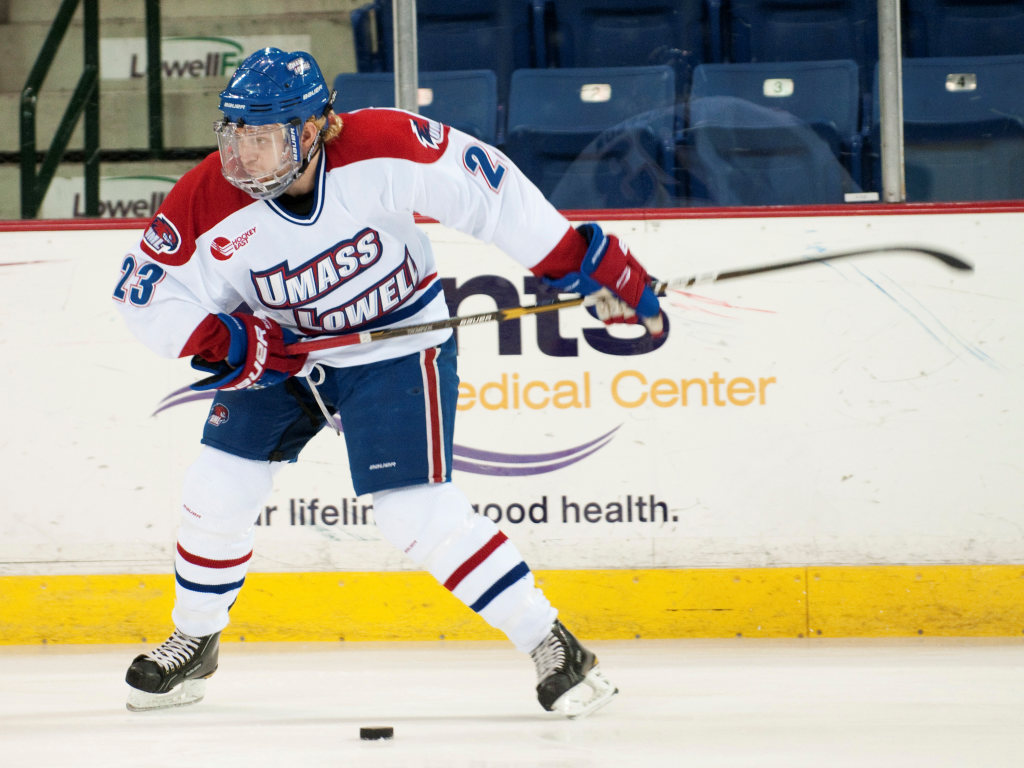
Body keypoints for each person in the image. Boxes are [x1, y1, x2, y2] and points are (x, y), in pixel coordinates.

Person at [113, 47, 665, 718]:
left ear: (314, 130)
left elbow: (492, 196)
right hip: (282, 353)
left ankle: (552, 643)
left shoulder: (384, 145)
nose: (245, 156)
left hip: (397, 344)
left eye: (265, 137)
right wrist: (236, 341)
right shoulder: (206, 195)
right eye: (236, 135)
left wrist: (579, 262)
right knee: (215, 488)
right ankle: (195, 639)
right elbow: (143, 296)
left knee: (410, 509)